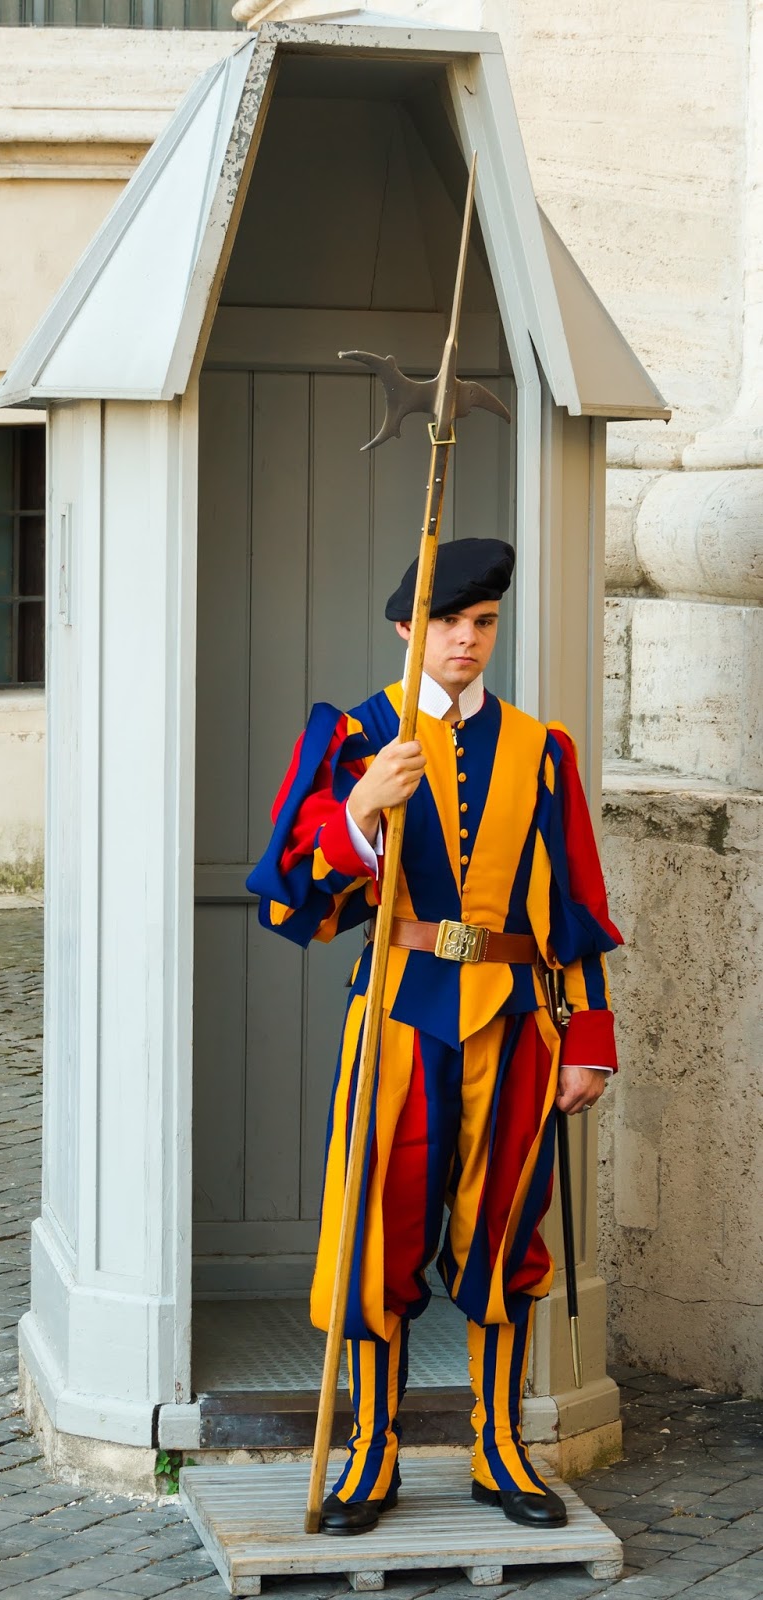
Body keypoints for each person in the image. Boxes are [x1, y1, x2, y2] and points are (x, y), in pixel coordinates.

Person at [247, 537, 621, 1536]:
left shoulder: (541, 749)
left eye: (482, 622)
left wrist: (588, 1037)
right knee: (383, 1232)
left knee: (504, 1229)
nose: (465, 639)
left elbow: (577, 903)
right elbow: (288, 902)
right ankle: (373, 1451)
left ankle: (500, 1447)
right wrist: (359, 814)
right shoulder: (355, 737)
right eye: (447, 622)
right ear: (405, 627)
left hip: (512, 1015)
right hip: (400, 1018)